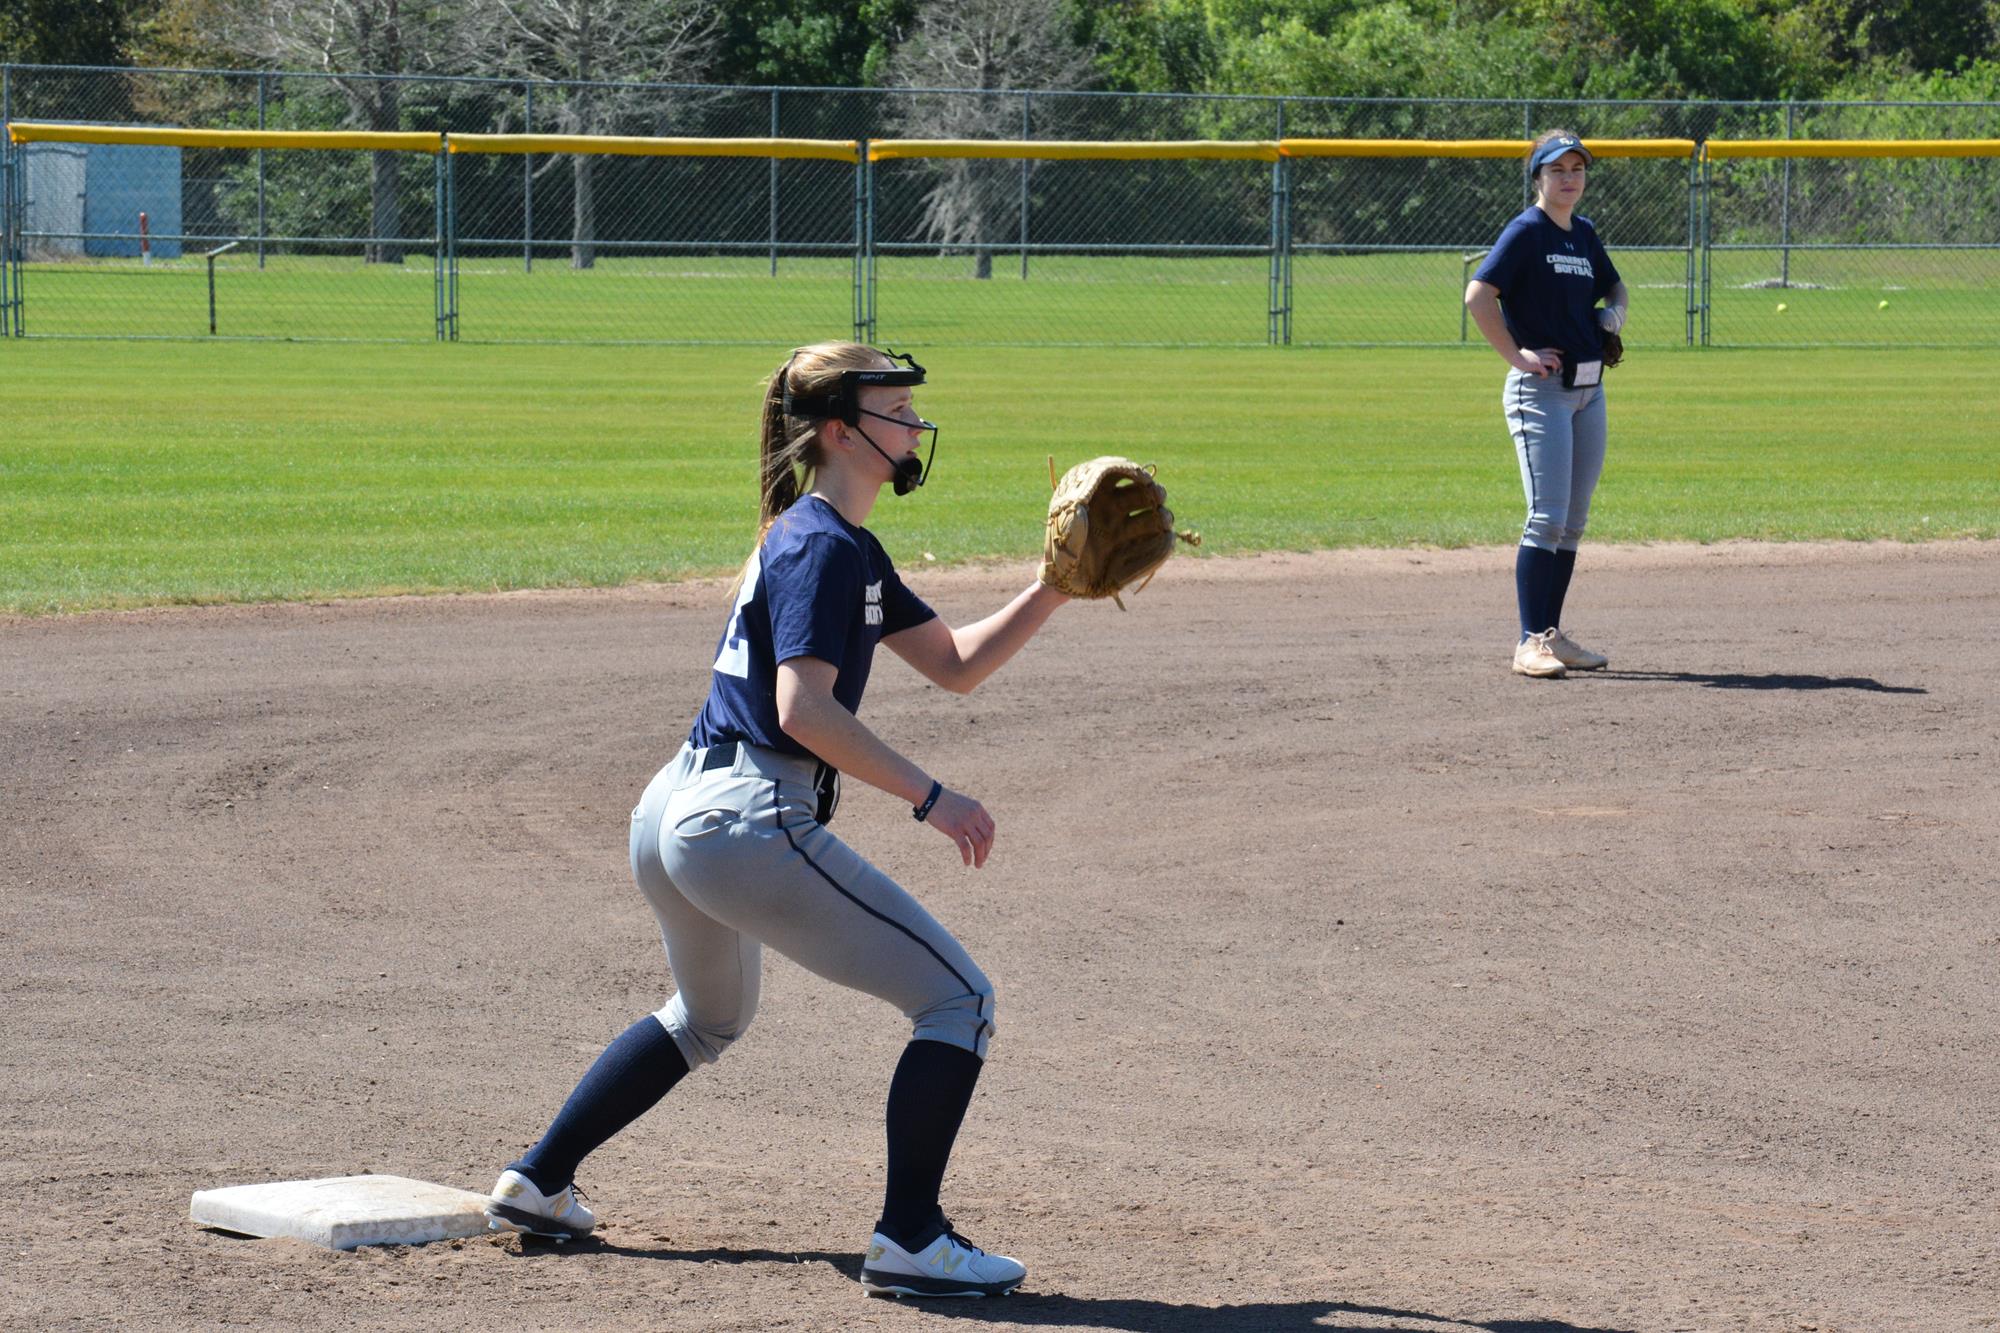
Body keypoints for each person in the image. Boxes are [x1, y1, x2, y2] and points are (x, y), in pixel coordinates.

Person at [484, 341, 1070, 1299]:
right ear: (841, 431)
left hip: (679, 803)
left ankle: (539, 1178)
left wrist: (1054, 585)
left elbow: (957, 662)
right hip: (745, 813)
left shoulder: (830, 541)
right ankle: (912, 1238)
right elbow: (804, 711)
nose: (916, 424)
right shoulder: (824, 544)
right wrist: (931, 797)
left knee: (707, 1019)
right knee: (960, 1001)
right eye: (897, 409)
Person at [1464, 130, 1629, 679]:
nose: (1569, 178)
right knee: (1546, 519)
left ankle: (1552, 636)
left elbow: (1616, 289)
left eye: (1577, 169)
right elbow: (1478, 295)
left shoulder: (1583, 233)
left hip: (1589, 391)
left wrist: (1612, 317)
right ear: (1538, 177)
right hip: (1541, 394)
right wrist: (1517, 356)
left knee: (1573, 522)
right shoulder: (1527, 231)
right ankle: (1528, 642)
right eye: (1557, 169)